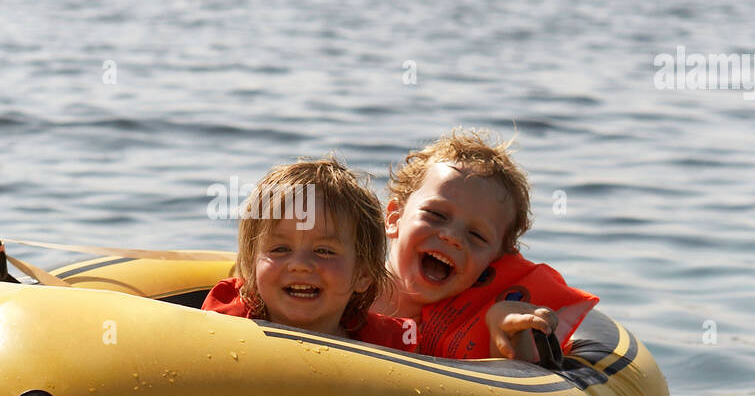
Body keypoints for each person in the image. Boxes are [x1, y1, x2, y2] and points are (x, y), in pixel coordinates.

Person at [380, 130, 598, 362]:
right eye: (435, 214)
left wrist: (511, 337)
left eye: (476, 235)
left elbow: (514, 388)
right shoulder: (346, 290)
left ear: (492, 262)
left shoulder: (489, 322)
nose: (452, 237)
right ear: (394, 219)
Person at [201, 157, 419, 350]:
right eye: (280, 249)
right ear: (252, 265)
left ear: (362, 274)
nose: (300, 264)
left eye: (324, 251)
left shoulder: (388, 344)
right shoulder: (226, 325)